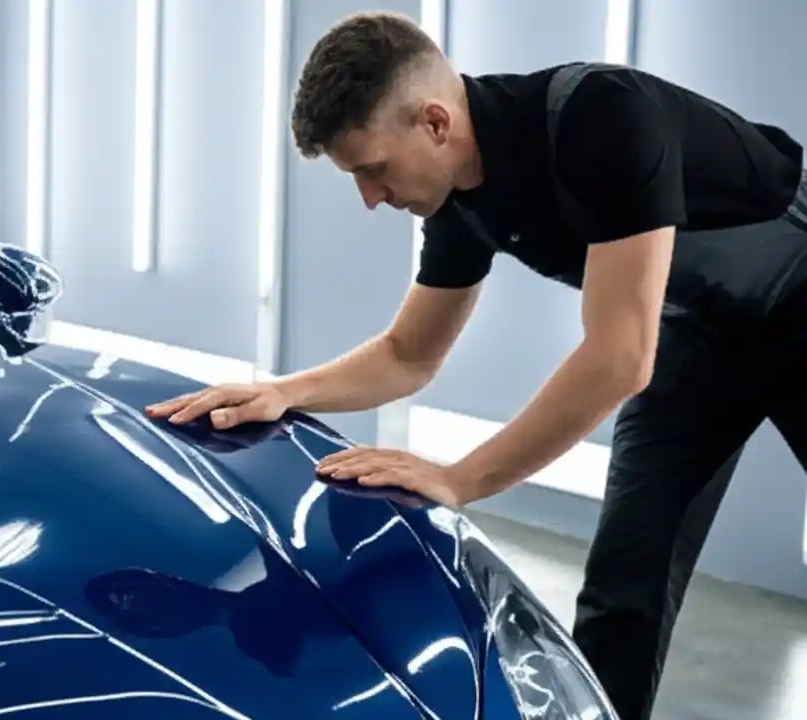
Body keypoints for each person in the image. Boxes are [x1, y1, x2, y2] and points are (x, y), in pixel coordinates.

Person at [144, 10, 807, 720]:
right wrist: (281, 391)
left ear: (434, 123)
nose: (370, 198)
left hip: (798, 301)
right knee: (624, 588)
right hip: (697, 331)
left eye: (373, 170)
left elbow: (618, 356)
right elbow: (408, 355)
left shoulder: (603, 117)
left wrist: (462, 477)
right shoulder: (459, 204)